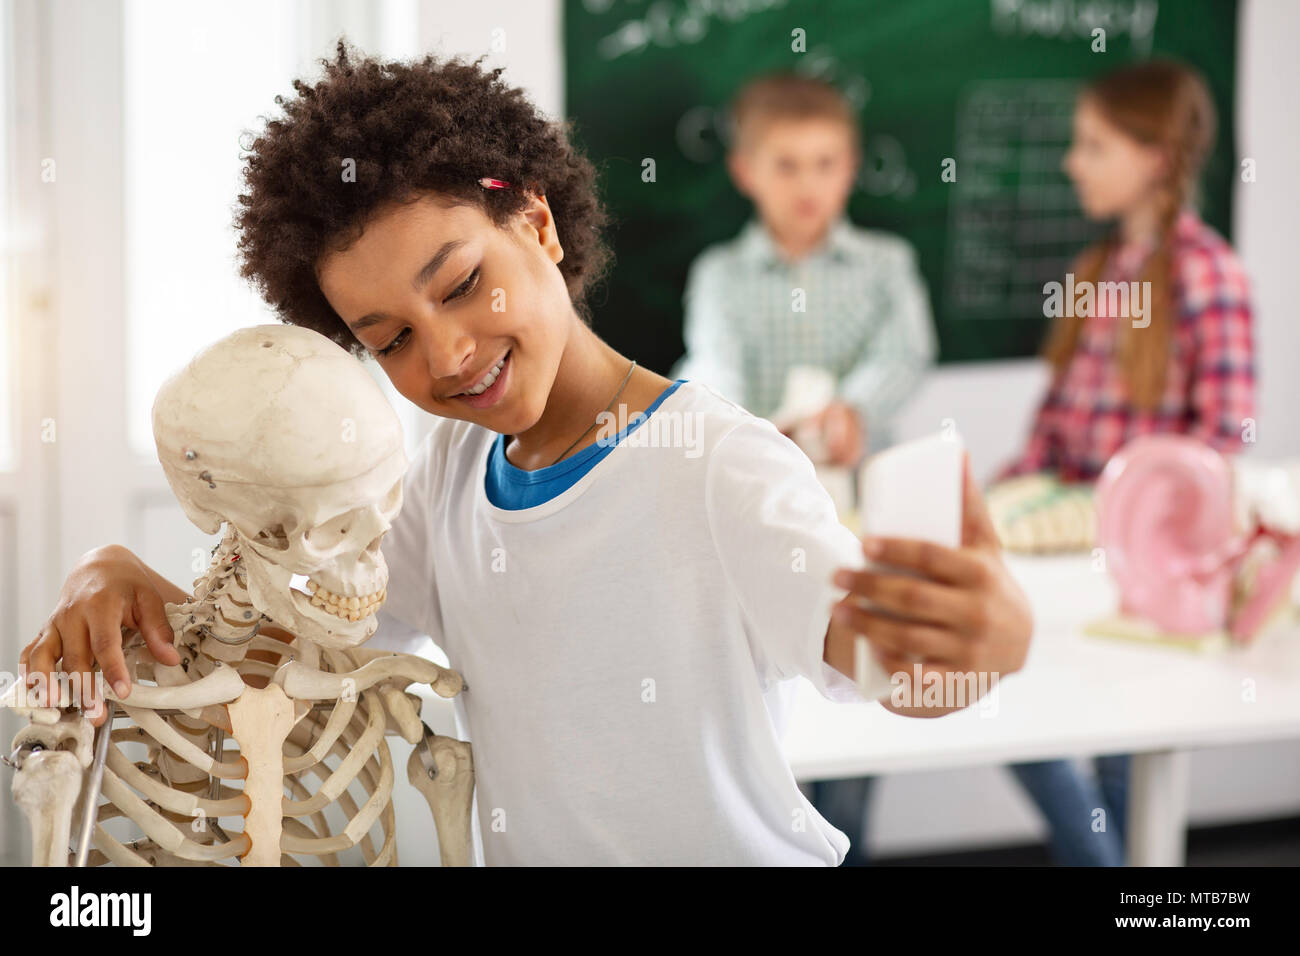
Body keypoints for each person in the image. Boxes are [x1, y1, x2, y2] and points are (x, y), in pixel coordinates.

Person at [21, 42, 1032, 866]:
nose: (449, 353)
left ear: (538, 222)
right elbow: (298, 641)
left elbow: (875, 655)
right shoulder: (450, 477)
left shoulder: (721, 462)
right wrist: (111, 567)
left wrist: (987, 640)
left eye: (461, 283)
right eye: (390, 339)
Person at [994, 59, 1256, 866]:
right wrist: (1003, 494)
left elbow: (1223, 443)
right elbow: (1056, 425)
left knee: (1124, 763)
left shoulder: (1208, 273)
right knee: (1002, 701)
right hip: (1069, 551)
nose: (1074, 162)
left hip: (1140, 571)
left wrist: (1155, 534)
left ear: (1154, 156)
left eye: (1093, 145)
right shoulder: (1098, 269)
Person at [672, 71, 936, 466]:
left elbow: (904, 355)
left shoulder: (888, 263)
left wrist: (852, 410)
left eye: (825, 164)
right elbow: (714, 364)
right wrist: (742, 428)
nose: (807, 185)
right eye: (786, 166)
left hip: (865, 483)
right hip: (754, 477)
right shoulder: (718, 275)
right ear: (745, 171)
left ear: (850, 167)